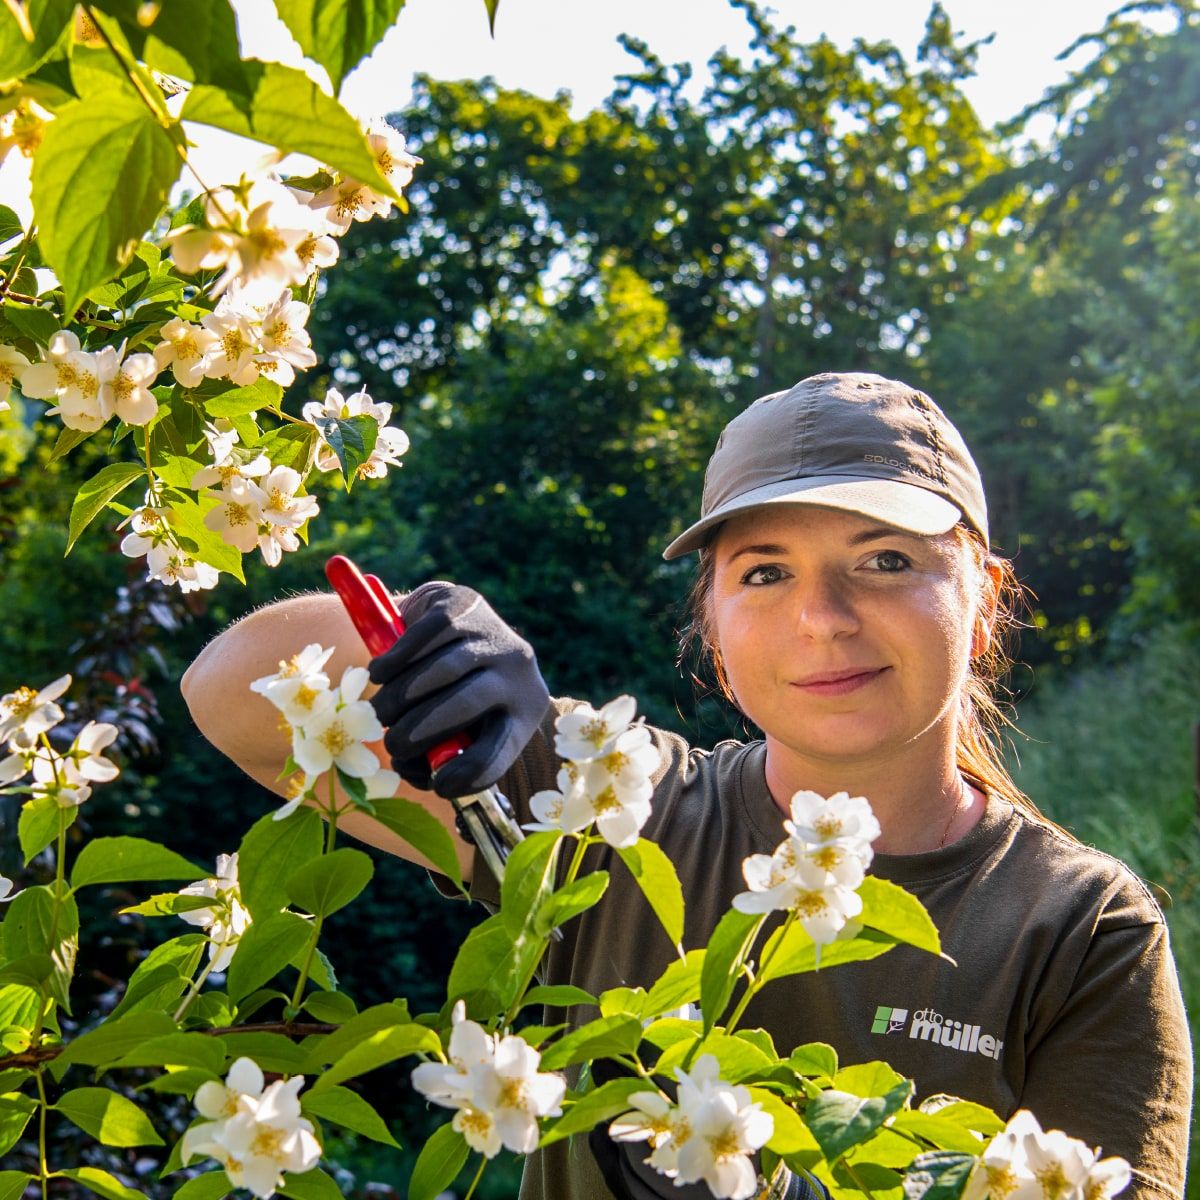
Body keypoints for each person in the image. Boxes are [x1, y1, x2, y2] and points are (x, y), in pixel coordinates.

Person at [182, 372, 1192, 1200]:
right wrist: (428, 633)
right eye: (764, 573)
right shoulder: (608, 806)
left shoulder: (1084, 927)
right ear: (710, 634)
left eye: (886, 560)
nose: (825, 617)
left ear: (981, 609)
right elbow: (228, 694)